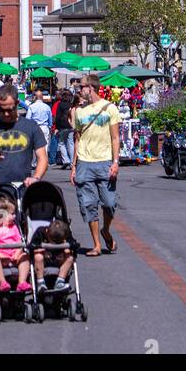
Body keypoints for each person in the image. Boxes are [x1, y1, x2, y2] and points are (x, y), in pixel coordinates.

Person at [71, 75, 120, 256]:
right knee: (89, 204)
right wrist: (74, 165)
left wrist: (115, 162)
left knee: (109, 203)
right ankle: (97, 245)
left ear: (90, 88)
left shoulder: (109, 108)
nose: (79, 90)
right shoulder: (79, 111)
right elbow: (77, 139)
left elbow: (115, 138)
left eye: (81, 87)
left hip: (104, 161)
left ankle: (105, 230)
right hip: (85, 163)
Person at [0, 84, 48, 190]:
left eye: (10, 109)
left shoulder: (31, 127)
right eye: (2, 110)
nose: (6, 114)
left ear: (17, 104)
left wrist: (36, 177)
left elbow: (42, 158)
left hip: (23, 189)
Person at [0, 193, 31, 294]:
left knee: (25, 256)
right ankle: (3, 282)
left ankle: (22, 282)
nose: (14, 216)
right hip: (1, 257)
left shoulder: (13, 228)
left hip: (14, 256)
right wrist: (0, 255)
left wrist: (17, 253)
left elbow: (19, 242)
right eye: (12, 214)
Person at [31, 217, 75, 292]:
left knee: (70, 257)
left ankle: (60, 281)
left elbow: (73, 244)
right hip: (44, 260)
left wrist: (69, 248)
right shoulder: (40, 232)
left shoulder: (66, 233)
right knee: (38, 256)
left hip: (60, 259)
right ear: (47, 231)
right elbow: (32, 245)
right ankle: (40, 282)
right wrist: (37, 249)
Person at [52, 89, 76, 168]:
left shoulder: (60, 104)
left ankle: (66, 160)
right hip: (71, 126)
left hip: (62, 126)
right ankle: (72, 162)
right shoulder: (71, 105)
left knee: (61, 143)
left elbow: (58, 116)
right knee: (71, 143)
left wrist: (56, 127)